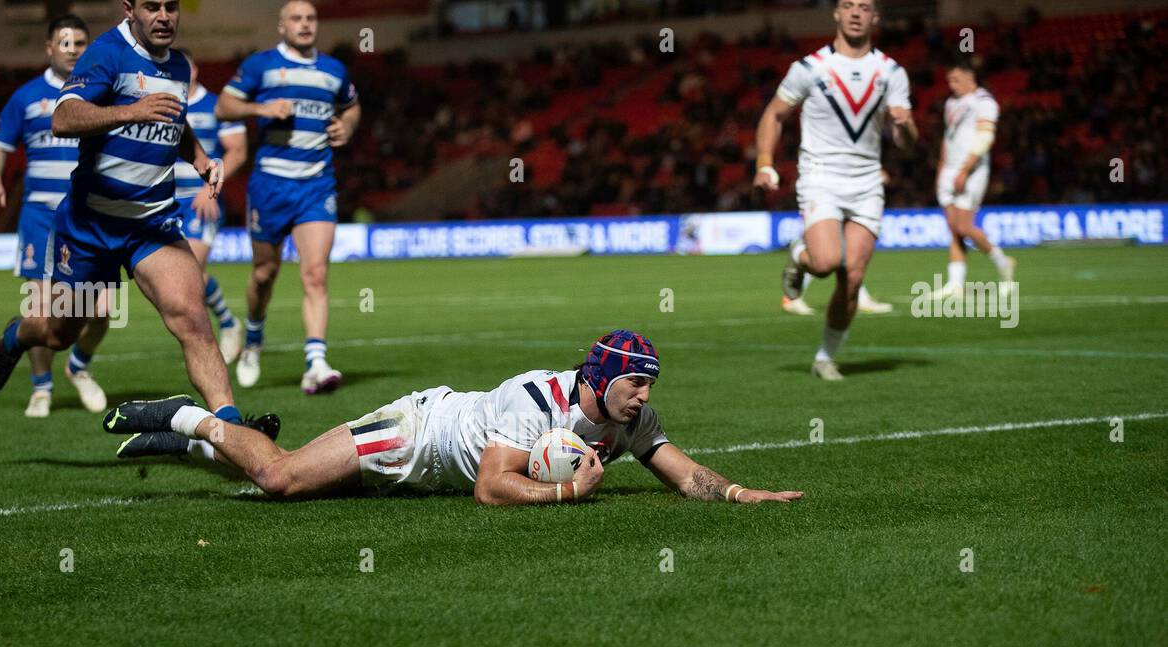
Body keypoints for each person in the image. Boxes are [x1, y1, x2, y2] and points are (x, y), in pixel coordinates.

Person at [0, 0, 276, 437]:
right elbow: (62, 118)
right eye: (151, 7)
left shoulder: (176, 66)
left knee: (193, 320)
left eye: (171, 7)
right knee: (60, 333)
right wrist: (129, 111)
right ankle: (16, 337)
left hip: (151, 224)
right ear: (129, 10)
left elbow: (174, 122)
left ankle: (229, 431)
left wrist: (198, 158)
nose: (163, 16)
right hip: (90, 228)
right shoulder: (107, 53)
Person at [103, 329, 804, 508]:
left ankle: (180, 445)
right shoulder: (536, 400)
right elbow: (491, 488)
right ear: (599, 378)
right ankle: (192, 416)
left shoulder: (631, 423)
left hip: (422, 478)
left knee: (279, 487)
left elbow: (684, 476)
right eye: (634, 384)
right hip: (413, 435)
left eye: (649, 386)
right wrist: (567, 492)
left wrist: (744, 493)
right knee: (281, 479)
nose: (644, 397)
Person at [753, 0, 917, 381]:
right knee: (826, 263)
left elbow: (907, 142)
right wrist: (764, 161)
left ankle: (825, 357)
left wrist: (906, 125)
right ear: (836, 14)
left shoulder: (891, 72)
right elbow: (774, 115)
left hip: (866, 183)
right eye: (848, 5)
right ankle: (801, 257)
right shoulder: (809, 68)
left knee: (853, 276)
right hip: (821, 176)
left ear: (876, 16)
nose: (856, 12)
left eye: (864, 6)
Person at [215, 0, 361, 394]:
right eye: (296, 18)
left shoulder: (333, 70)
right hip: (270, 186)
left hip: (316, 185)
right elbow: (223, 107)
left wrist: (346, 125)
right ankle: (254, 337)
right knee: (265, 274)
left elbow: (352, 106)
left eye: (311, 18)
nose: (305, 24)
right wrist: (260, 106)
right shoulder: (261, 65)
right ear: (281, 26)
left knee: (315, 274)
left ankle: (315, 361)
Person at [0, 14, 109, 418]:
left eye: (80, 43)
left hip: (89, 215)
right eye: (65, 42)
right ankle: (41, 387)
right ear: (49, 48)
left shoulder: (100, 93)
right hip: (41, 217)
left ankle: (79, 367)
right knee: (41, 308)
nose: (73, 50)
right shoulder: (27, 96)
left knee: (102, 309)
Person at [172, 50, 248, 360]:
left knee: (191, 270)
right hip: (165, 203)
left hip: (202, 202)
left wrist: (209, 185)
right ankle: (227, 321)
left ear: (196, 69)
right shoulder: (162, 104)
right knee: (178, 279)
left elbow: (238, 152)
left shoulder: (216, 105)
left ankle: (225, 327)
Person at [937, 61, 1015, 297]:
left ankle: (1002, 261)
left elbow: (985, 139)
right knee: (954, 229)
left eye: (956, 80)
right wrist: (942, 168)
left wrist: (963, 170)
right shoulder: (951, 103)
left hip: (971, 171)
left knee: (964, 226)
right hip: (949, 169)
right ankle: (955, 284)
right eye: (949, 80)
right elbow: (948, 137)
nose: (951, 85)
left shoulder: (984, 102)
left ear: (971, 79)